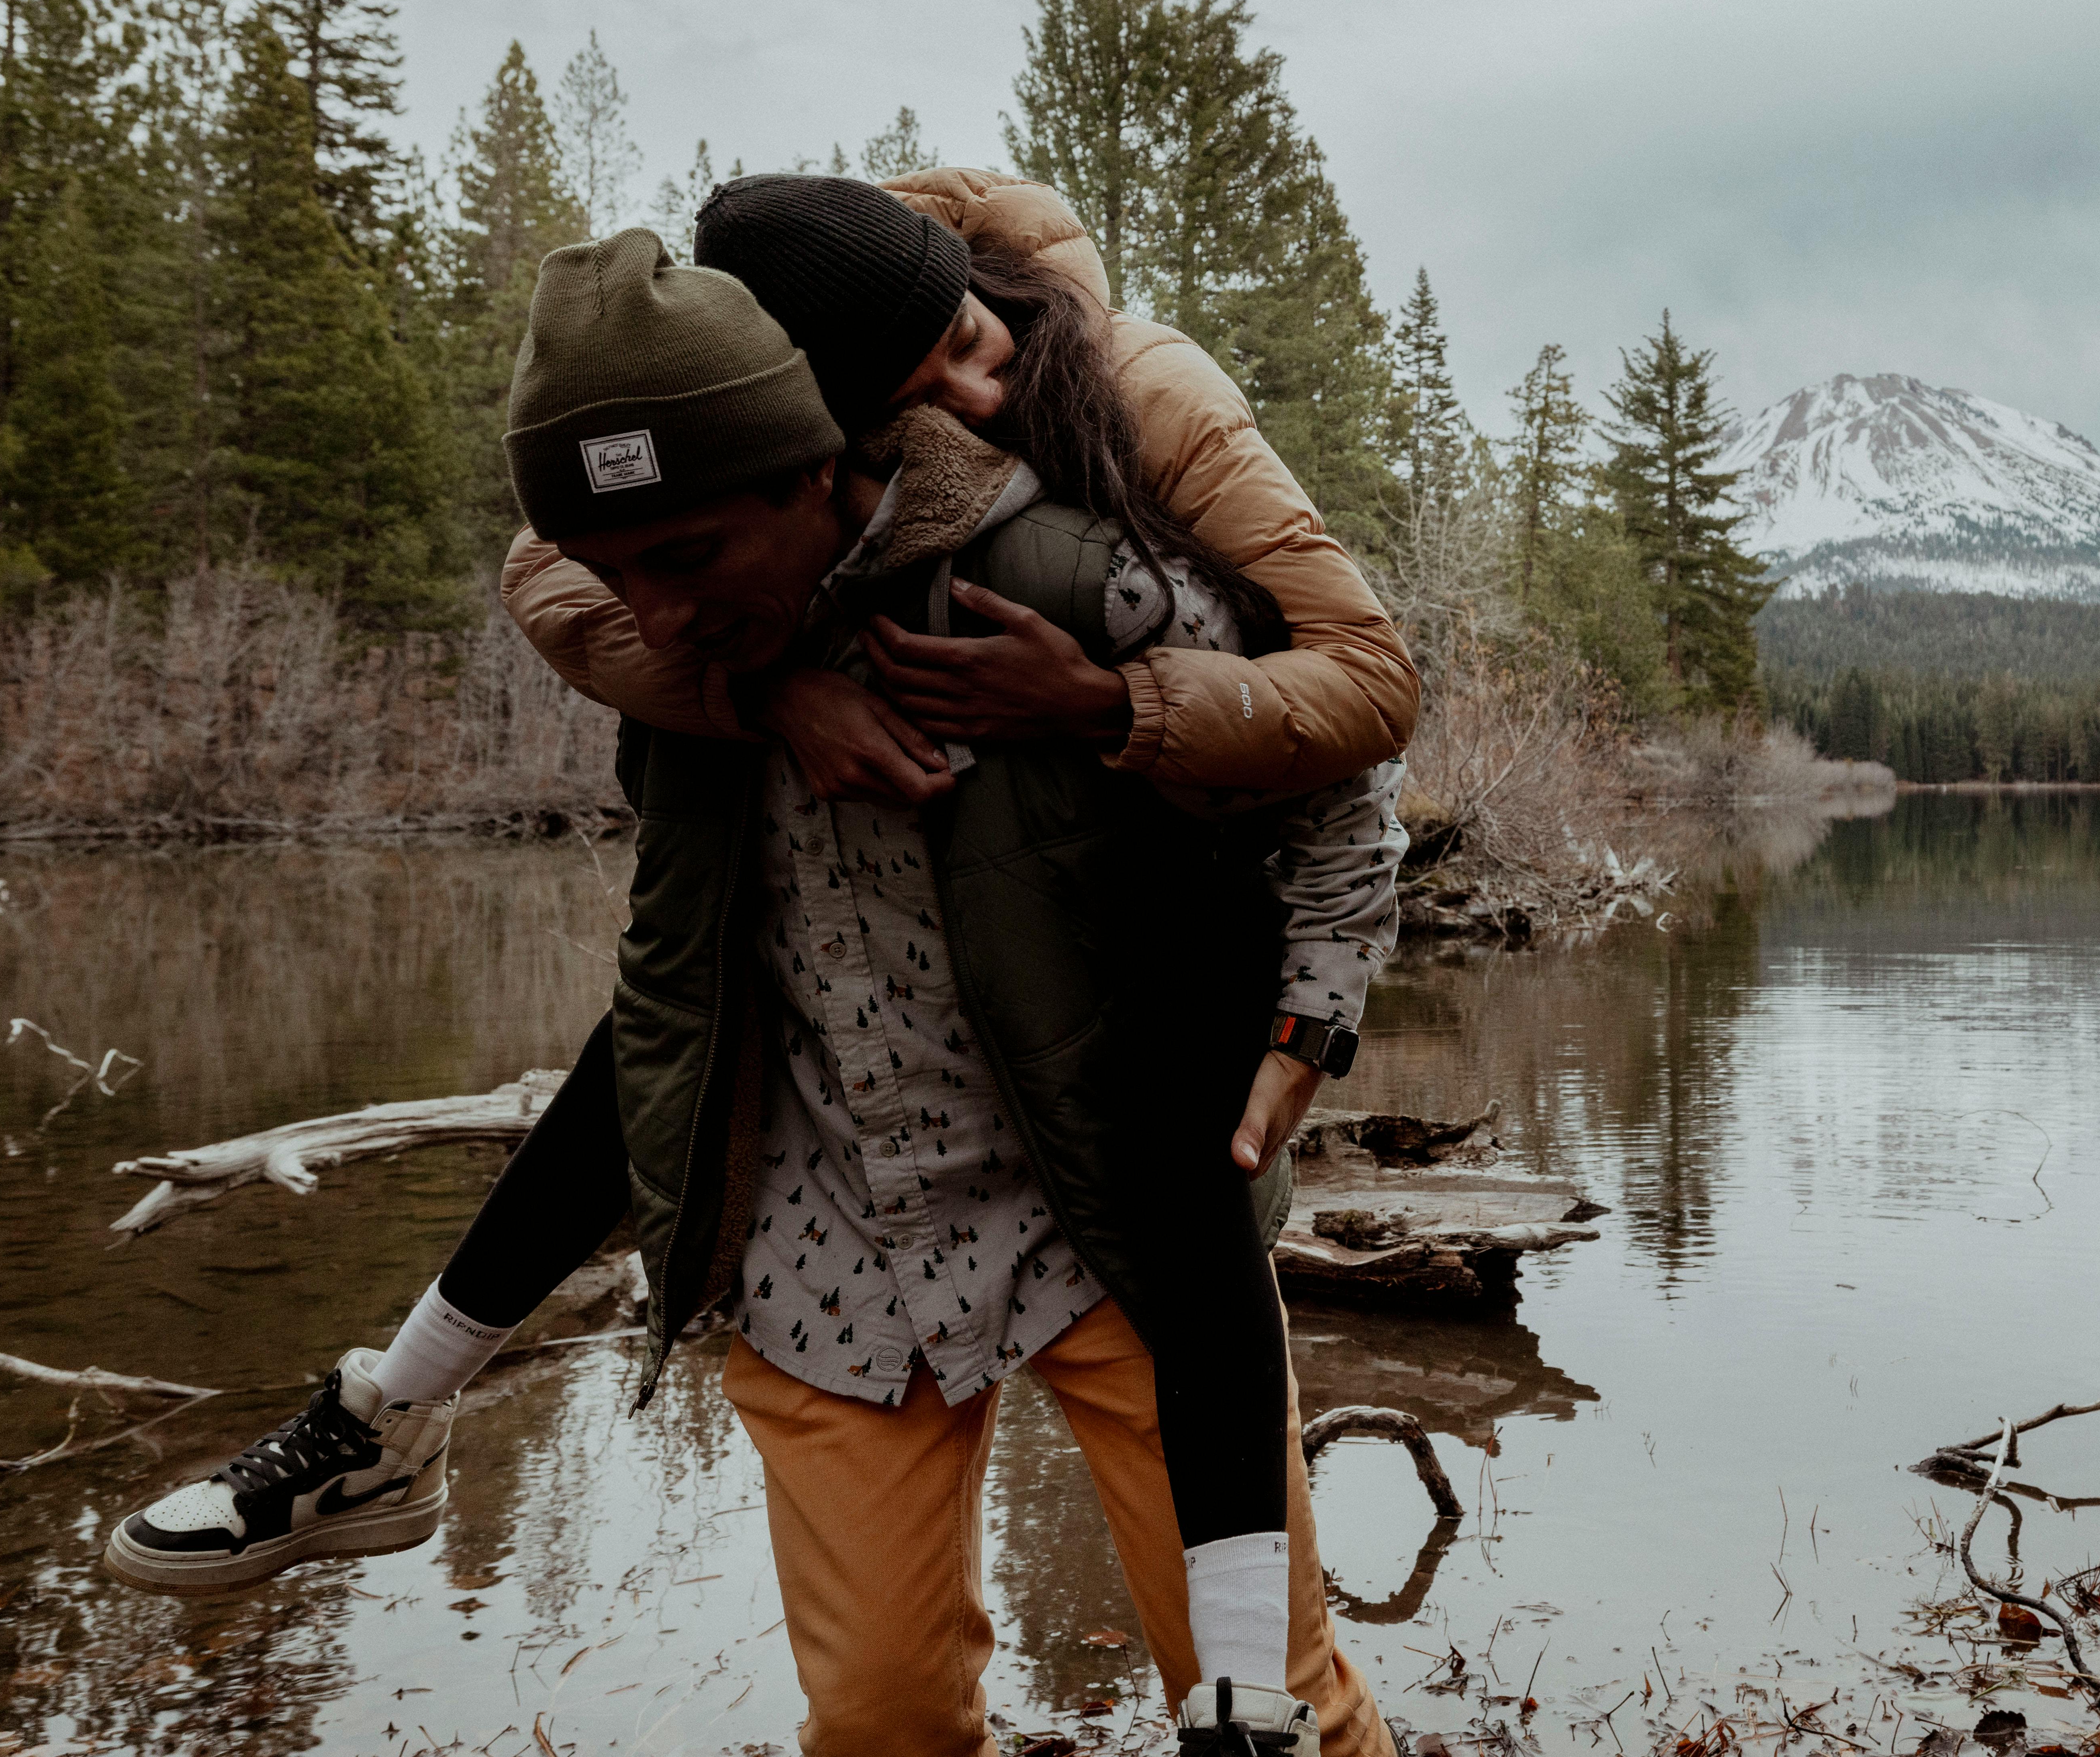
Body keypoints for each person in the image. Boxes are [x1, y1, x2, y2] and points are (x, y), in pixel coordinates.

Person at [104, 183, 1414, 1757]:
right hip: (839, 1234)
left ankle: (1253, 1710)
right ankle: (384, 1420)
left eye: (690, 556)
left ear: (829, 457)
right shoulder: (687, 640)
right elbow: (662, 1018)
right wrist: (758, 686)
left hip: (1111, 1207)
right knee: (878, 1721)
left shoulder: (1074, 547)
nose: (658, 613)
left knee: (1274, 1699)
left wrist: (1309, 1002)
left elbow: (1345, 742)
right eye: (624, 574)